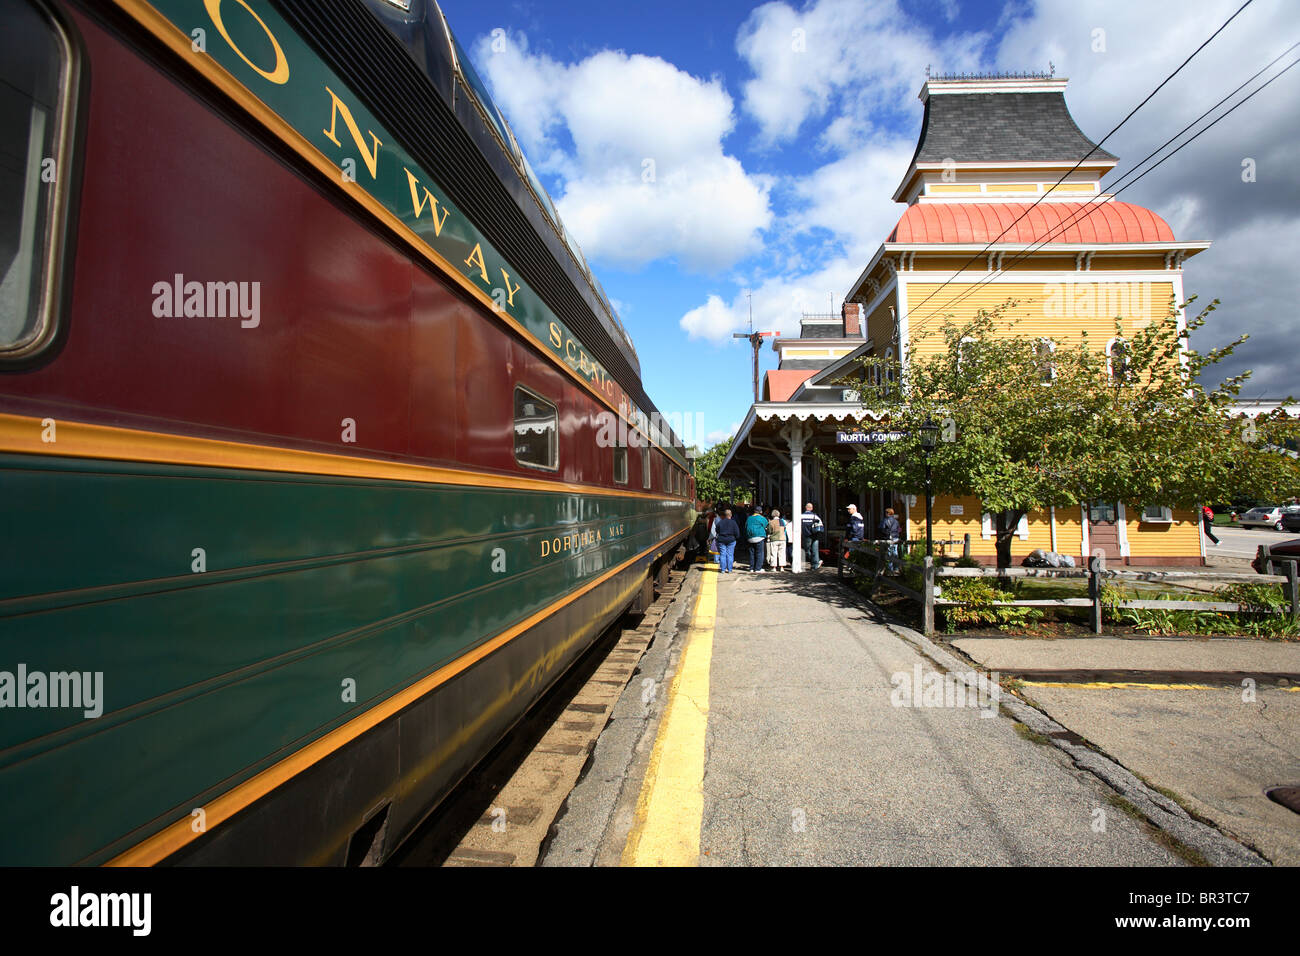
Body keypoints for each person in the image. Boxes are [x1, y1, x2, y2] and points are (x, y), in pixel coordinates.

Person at [713, 508, 740, 573]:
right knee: (730, 555)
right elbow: (737, 532)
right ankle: (730, 569)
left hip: (722, 540)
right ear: (731, 515)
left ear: (724, 515)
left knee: (722, 554)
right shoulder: (733, 522)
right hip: (731, 540)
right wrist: (736, 538)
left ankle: (723, 569)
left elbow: (717, 531)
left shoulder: (720, 522)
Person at [877, 507, 901, 572]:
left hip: (888, 538)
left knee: (889, 553)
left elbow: (881, 529)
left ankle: (890, 569)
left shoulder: (885, 520)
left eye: (886, 512)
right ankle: (896, 568)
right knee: (895, 553)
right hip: (896, 538)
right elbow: (899, 529)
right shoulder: (896, 521)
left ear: (888, 513)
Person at [800, 502, 823, 570]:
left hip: (806, 536)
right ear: (811, 508)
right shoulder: (815, 516)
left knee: (807, 550)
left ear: (805, 508)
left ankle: (816, 561)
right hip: (815, 535)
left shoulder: (801, 516)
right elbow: (821, 526)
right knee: (815, 550)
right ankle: (815, 565)